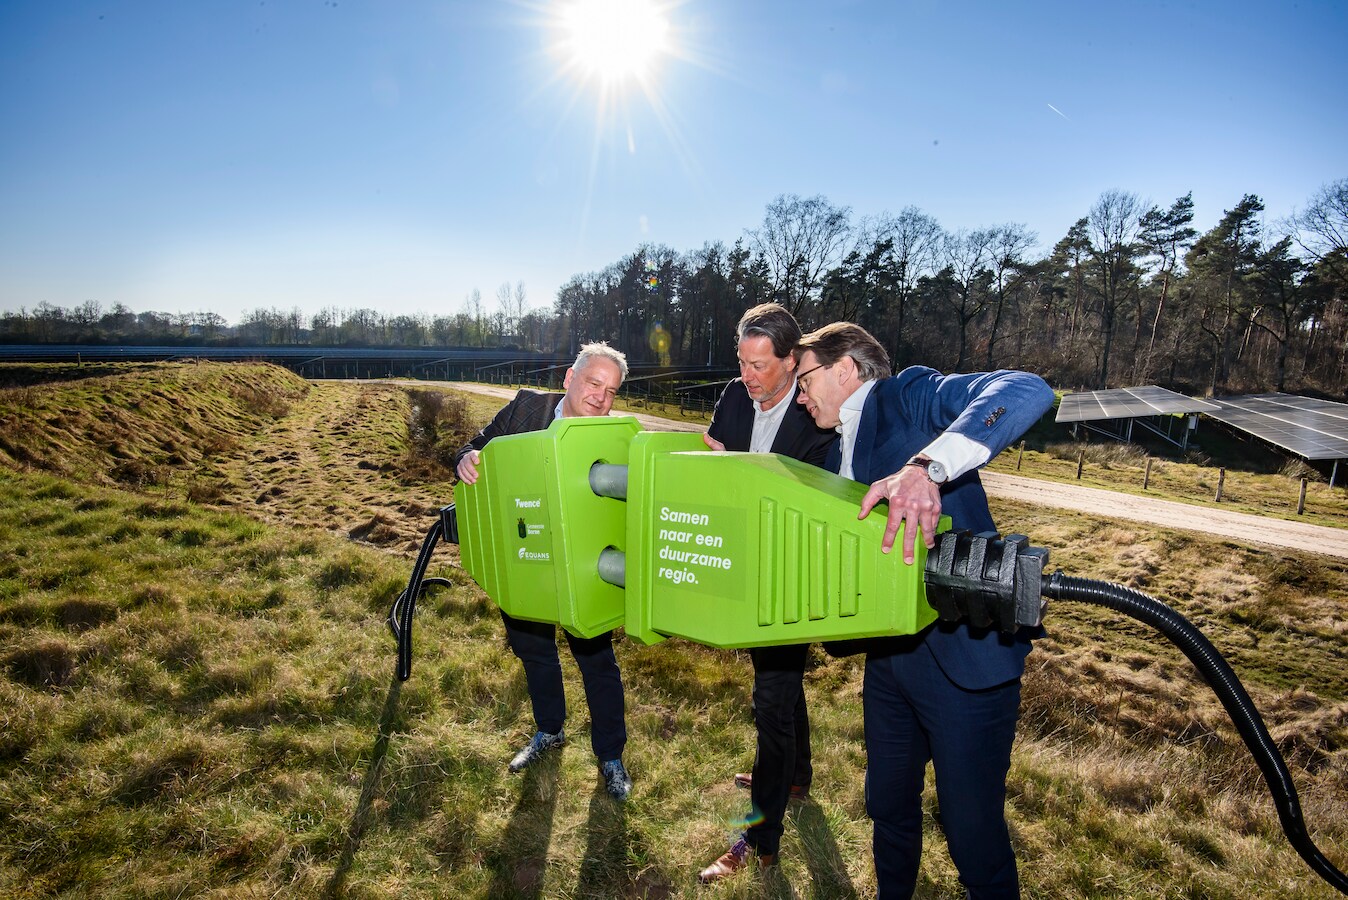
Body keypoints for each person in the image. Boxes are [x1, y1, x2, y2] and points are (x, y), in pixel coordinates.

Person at [793, 322, 1054, 899]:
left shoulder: (907, 396)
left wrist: (925, 468)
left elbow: (1026, 389)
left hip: (965, 662)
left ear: (845, 368)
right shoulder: (833, 451)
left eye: (804, 379)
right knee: (888, 807)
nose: (800, 395)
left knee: (972, 834)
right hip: (890, 664)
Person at [453, 342, 635, 801]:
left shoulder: (613, 440)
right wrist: (465, 459)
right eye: (593, 383)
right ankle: (549, 730)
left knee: (597, 662)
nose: (601, 398)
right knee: (534, 652)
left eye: (611, 391)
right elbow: (473, 447)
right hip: (526, 561)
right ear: (569, 379)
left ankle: (611, 756)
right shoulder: (525, 409)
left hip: (581, 571)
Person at [696, 304, 838, 884]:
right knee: (781, 681)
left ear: (791, 361)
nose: (747, 376)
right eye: (742, 362)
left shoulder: (816, 418)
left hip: (787, 575)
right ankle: (796, 776)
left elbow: (815, 503)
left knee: (771, 703)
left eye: (760, 366)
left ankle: (759, 838)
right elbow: (713, 469)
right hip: (741, 566)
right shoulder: (734, 397)